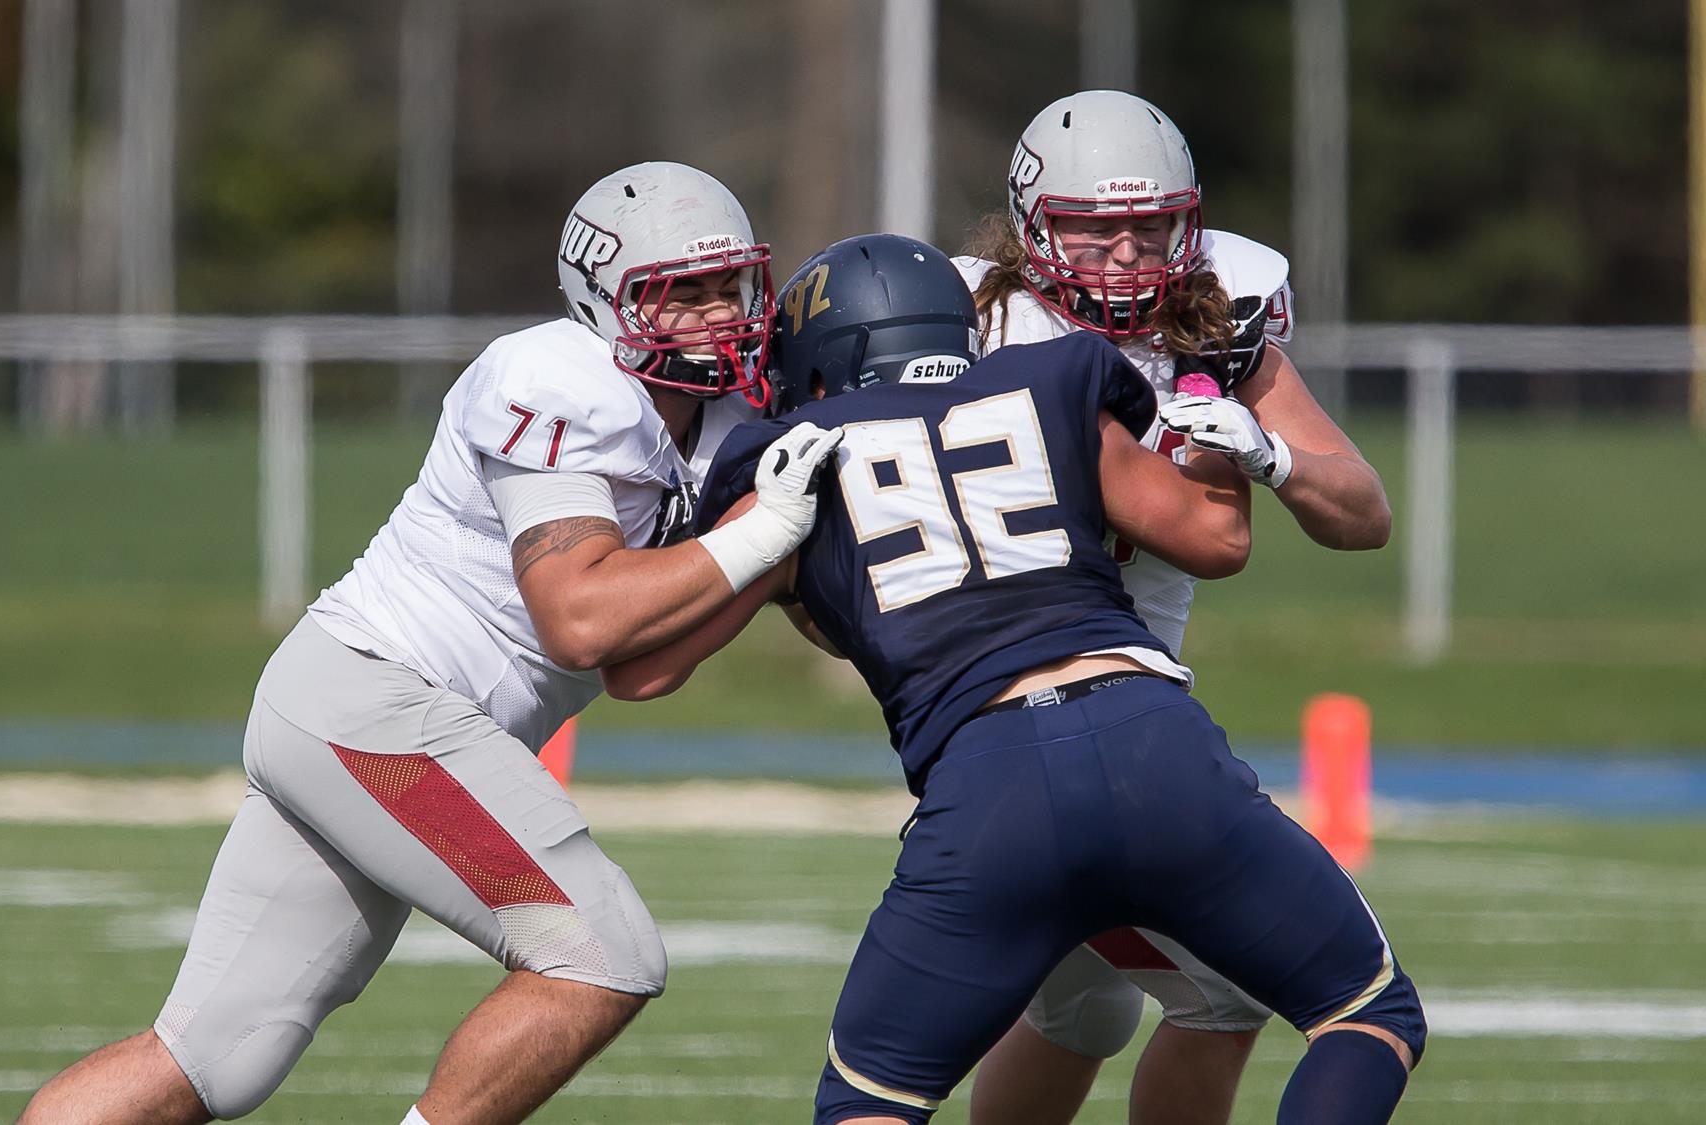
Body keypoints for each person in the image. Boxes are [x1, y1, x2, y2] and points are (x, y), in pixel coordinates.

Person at [14, 161, 844, 1125]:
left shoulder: (729, 423)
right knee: (602, 956)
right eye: (678, 294)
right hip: (379, 704)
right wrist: (755, 535)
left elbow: (643, 668)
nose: (712, 316)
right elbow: (579, 623)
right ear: (603, 304)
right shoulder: (564, 379)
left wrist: (775, 560)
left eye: (726, 287)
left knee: (212, 1059)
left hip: (357, 715)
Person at [607, 234, 1425, 1125]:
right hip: (1151, 743)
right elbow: (1209, 536)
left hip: (985, 787)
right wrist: (1221, 434)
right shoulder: (1049, 389)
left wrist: (762, 539)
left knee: (867, 1103)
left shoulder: (796, 457)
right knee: (1365, 1010)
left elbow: (643, 672)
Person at [953, 90, 1396, 1125]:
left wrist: (1272, 455)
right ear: (1030, 225)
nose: (1123, 253)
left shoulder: (1219, 314)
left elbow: (1362, 512)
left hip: (1120, 713)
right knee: (1233, 989)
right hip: (1027, 717)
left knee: (1085, 1011)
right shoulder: (967, 324)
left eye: (1149, 225)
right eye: (1092, 227)